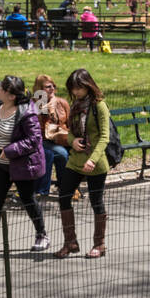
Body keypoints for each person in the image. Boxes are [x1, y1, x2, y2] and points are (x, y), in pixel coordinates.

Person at [0, 76, 51, 254]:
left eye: (3, 89)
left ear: (11, 95)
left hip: (21, 164)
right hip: (0, 164)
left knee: (28, 200)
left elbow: (35, 140)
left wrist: (11, 150)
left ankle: (42, 235)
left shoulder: (26, 112)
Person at [54, 68, 111, 258]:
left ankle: (99, 244)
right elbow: (69, 132)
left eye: (79, 88)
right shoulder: (75, 105)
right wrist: (73, 141)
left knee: (96, 201)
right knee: (64, 196)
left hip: (95, 160)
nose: (76, 92)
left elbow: (104, 136)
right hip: (76, 159)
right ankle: (70, 242)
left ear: (88, 85)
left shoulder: (99, 106)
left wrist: (93, 160)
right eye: (73, 89)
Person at [33, 74, 71, 202]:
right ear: (39, 89)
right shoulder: (35, 104)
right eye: (48, 87)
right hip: (40, 141)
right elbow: (35, 128)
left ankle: (65, 188)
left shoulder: (62, 103)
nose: (52, 89)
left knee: (62, 154)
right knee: (54, 153)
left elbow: (70, 123)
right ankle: (43, 191)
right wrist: (46, 108)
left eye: (53, 86)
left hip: (59, 139)